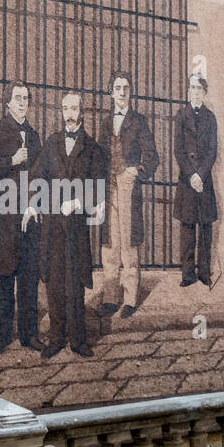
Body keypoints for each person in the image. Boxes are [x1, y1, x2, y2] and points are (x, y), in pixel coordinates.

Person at [25, 92, 106, 358]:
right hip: (52, 227)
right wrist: (32, 204)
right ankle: (56, 337)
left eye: (74, 108)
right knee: (54, 282)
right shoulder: (52, 143)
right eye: (65, 108)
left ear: (82, 112)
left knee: (76, 283)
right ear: (61, 111)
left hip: (76, 228)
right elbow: (37, 177)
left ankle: (78, 340)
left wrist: (78, 203)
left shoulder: (92, 148)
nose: (69, 113)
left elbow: (98, 187)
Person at [0, 82, 43, 354]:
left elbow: (42, 176)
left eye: (25, 98)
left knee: (29, 277)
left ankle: (30, 335)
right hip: (5, 215)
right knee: (4, 276)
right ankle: (1, 335)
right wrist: (12, 160)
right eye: (17, 98)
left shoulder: (35, 135)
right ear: (7, 102)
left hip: (29, 214)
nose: (22, 102)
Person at [94, 72, 157, 319]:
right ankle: (111, 298)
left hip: (128, 187)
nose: (122, 92)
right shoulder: (105, 123)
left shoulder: (139, 121)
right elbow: (98, 156)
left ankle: (130, 298)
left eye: (126, 88)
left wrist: (136, 170)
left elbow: (152, 158)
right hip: (108, 187)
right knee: (110, 244)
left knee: (128, 244)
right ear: (111, 93)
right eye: (118, 88)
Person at [174, 74, 218, 288]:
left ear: (204, 92)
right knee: (187, 228)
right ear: (188, 91)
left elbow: (212, 150)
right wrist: (191, 174)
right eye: (192, 87)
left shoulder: (211, 118)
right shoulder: (181, 116)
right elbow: (178, 150)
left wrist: (201, 174)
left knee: (206, 228)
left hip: (204, 179)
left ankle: (204, 273)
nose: (196, 91)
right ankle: (187, 274)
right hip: (187, 180)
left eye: (199, 88)